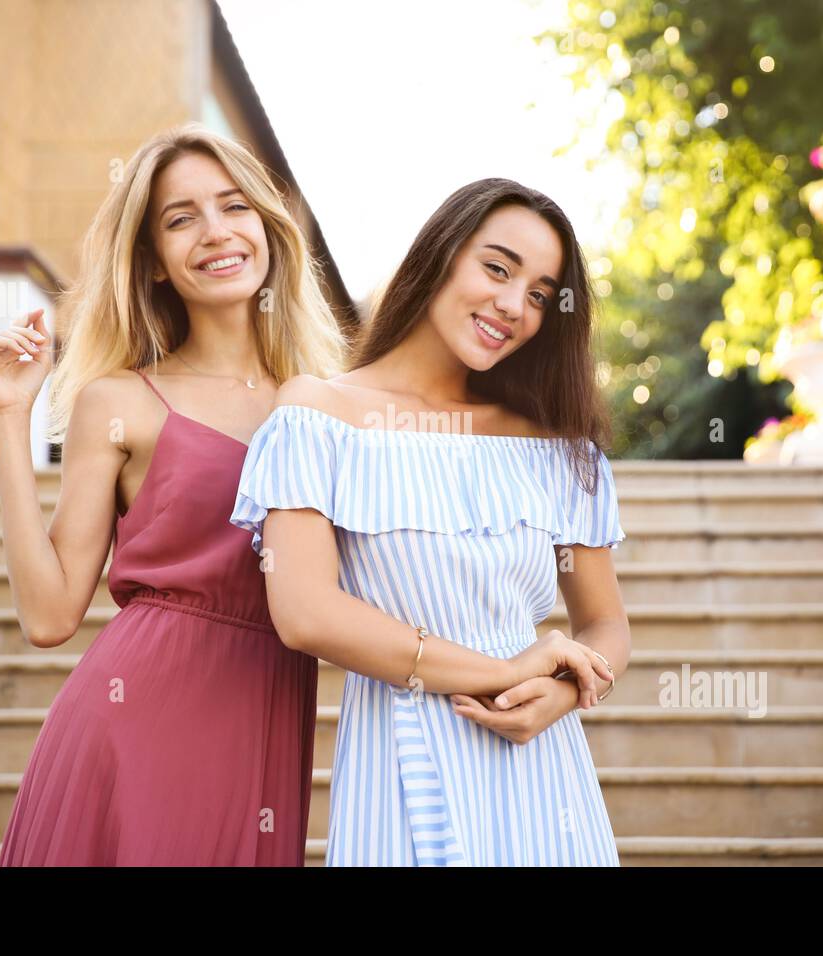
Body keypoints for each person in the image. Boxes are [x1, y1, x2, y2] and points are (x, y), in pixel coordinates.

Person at [0, 122, 345, 865]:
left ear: (267, 228)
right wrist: (10, 420)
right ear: (152, 264)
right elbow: (49, 616)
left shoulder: (329, 407)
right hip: (131, 723)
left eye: (234, 206)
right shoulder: (121, 401)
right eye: (181, 219)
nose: (215, 232)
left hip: (263, 724)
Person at [231, 178, 629, 866]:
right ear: (440, 256)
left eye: (539, 294)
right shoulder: (319, 414)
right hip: (402, 751)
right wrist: (501, 669)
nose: (513, 306)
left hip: (540, 766)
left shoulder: (554, 446)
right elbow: (305, 614)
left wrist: (559, 694)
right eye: (497, 268)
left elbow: (606, 626)